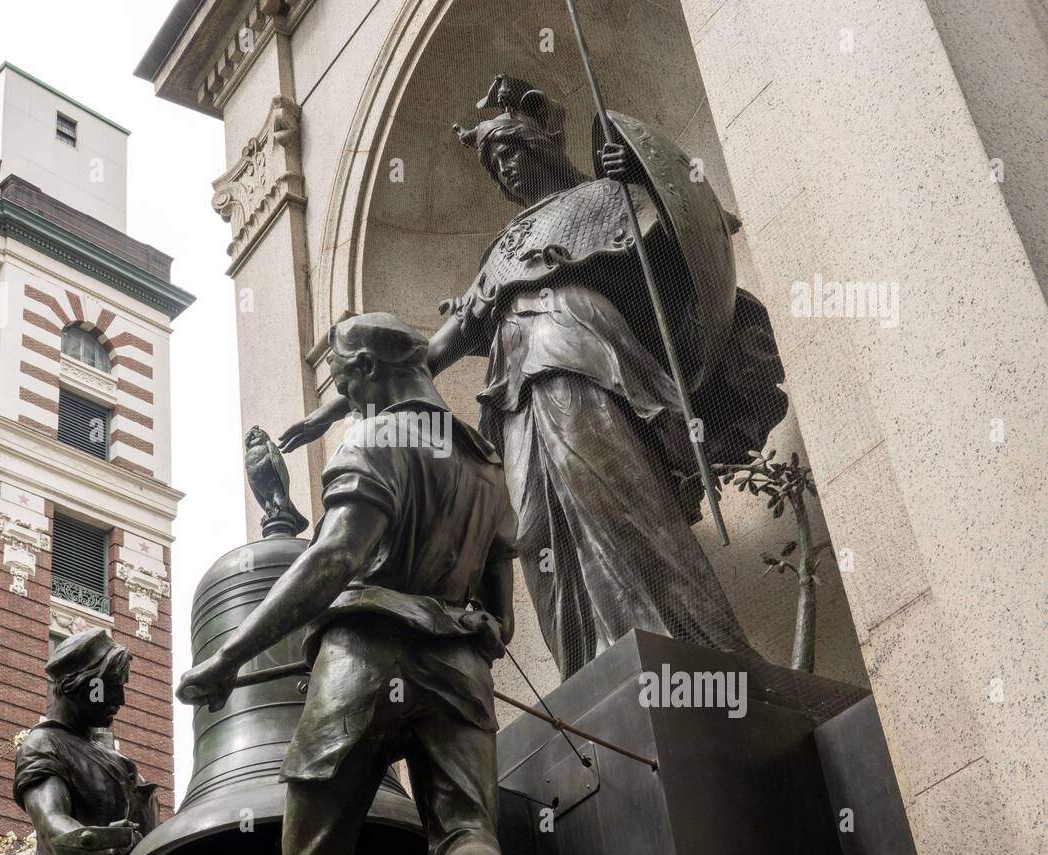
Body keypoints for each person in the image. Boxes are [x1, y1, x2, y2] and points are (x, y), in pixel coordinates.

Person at [280, 75, 786, 678]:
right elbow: (429, 350)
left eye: (512, 151)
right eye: (495, 163)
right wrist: (335, 408)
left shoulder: (604, 197)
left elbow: (694, 232)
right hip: (514, 395)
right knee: (539, 534)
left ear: (542, 144)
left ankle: (694, 652)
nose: (506, 169)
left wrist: (640, 178)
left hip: (576, 356)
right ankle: (589, 671)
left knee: (614, 500)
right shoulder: (502, 248)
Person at [178, 313, 517, 855]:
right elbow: (503, 620)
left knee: (314, 850)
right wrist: (483, 626)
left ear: (365, 366)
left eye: (343, 383)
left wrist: (228, 657)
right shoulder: (486, 464)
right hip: (460, 667)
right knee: (470, 837)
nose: (348, 397)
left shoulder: (378, 436)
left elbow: (335, 556)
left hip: (366, 657)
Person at [14, 628, 157, 855]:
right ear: (79, 684)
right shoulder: (43, 744)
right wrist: (100, 842)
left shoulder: (116, 759)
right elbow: (51, 822)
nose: (120, 699)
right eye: (109, 687)